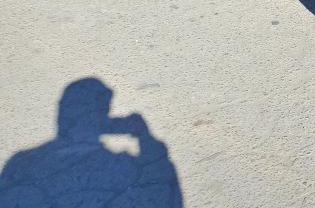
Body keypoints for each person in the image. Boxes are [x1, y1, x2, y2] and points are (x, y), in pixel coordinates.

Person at [0, 77, 183, 207]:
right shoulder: (123, 168)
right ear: (103, 117)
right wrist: (147, 140)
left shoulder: (21, 163)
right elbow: (166, 199)